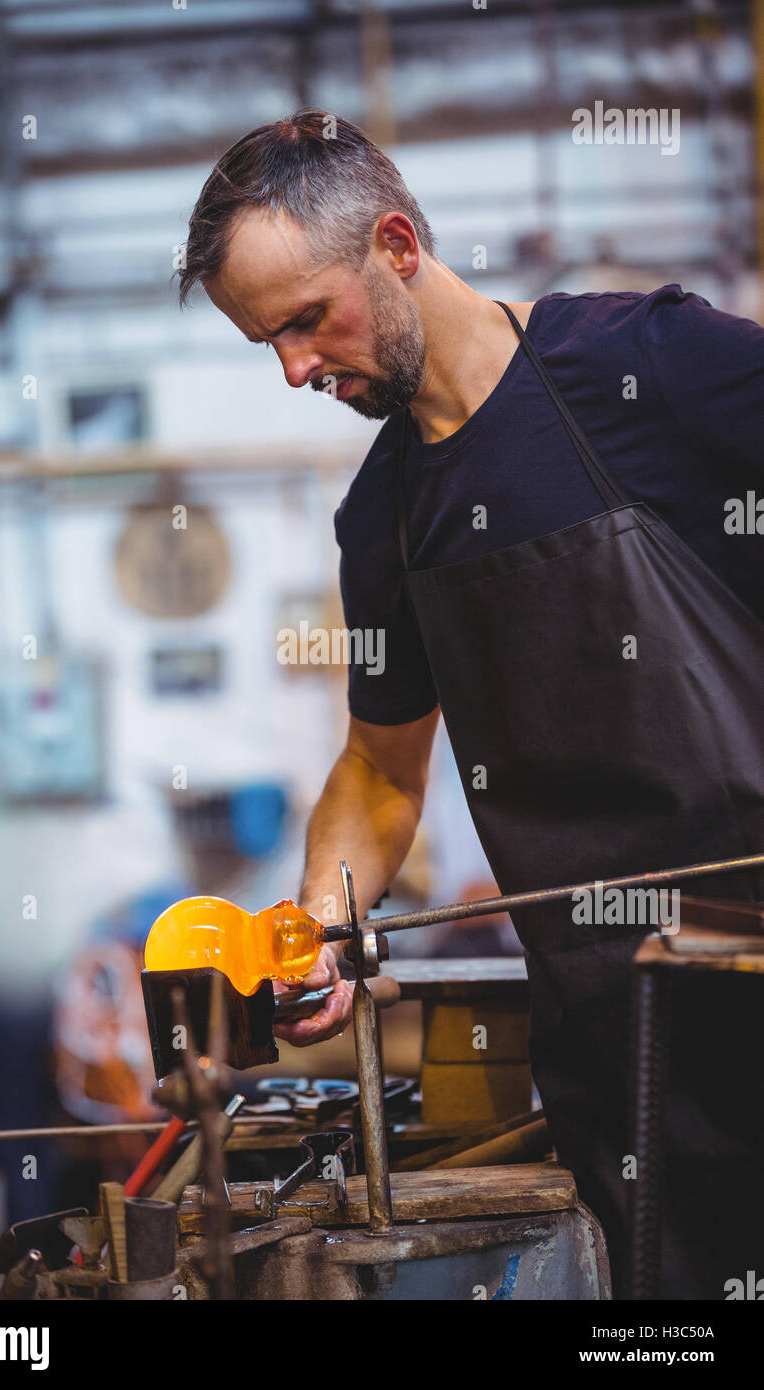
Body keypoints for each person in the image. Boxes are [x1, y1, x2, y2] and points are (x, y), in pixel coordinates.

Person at [178, 110, 764, 1299]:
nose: (295, 370)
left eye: (304, 322)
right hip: (618, 1054)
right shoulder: (384, 519)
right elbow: (379, 773)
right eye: (266, 346)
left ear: (394, 244)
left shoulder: (654, 367)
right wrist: (322, 927)